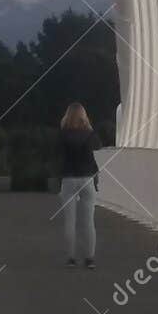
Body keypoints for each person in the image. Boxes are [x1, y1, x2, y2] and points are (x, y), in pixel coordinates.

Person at [59, 102, 101, 268]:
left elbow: (57, 155)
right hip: (87, 179)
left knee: (70, 221)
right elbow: (97, 152)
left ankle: (71, 258)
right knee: (88, 221)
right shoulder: (91, 135)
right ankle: (89, 258)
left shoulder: (62, 135)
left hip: (69, 178)